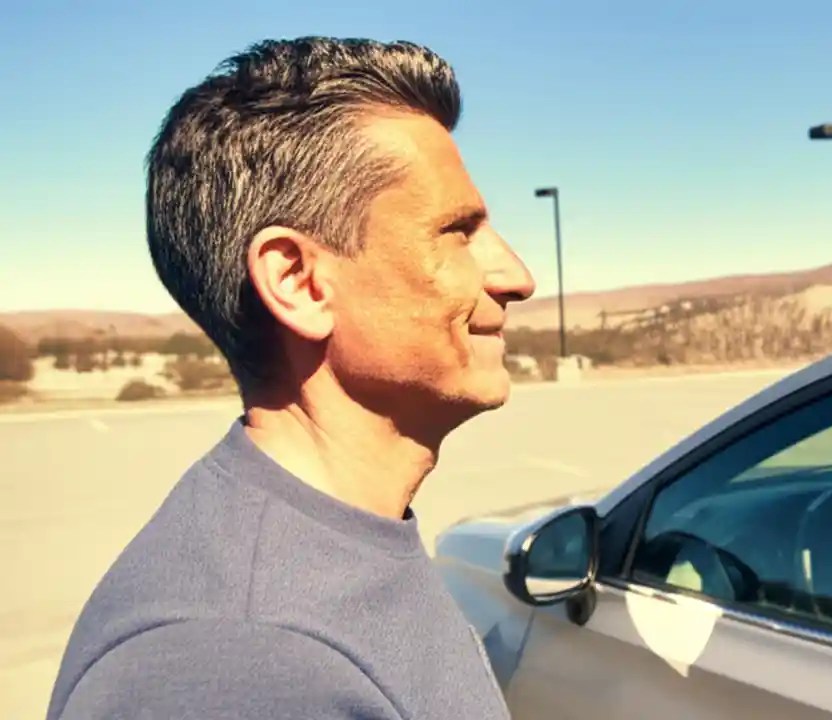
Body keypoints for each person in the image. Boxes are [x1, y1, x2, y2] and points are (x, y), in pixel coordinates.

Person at [46, 36, 535, 719]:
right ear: (299, 282)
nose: (517, 277)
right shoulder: (234, 662)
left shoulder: (341, 544)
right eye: (458, 231)